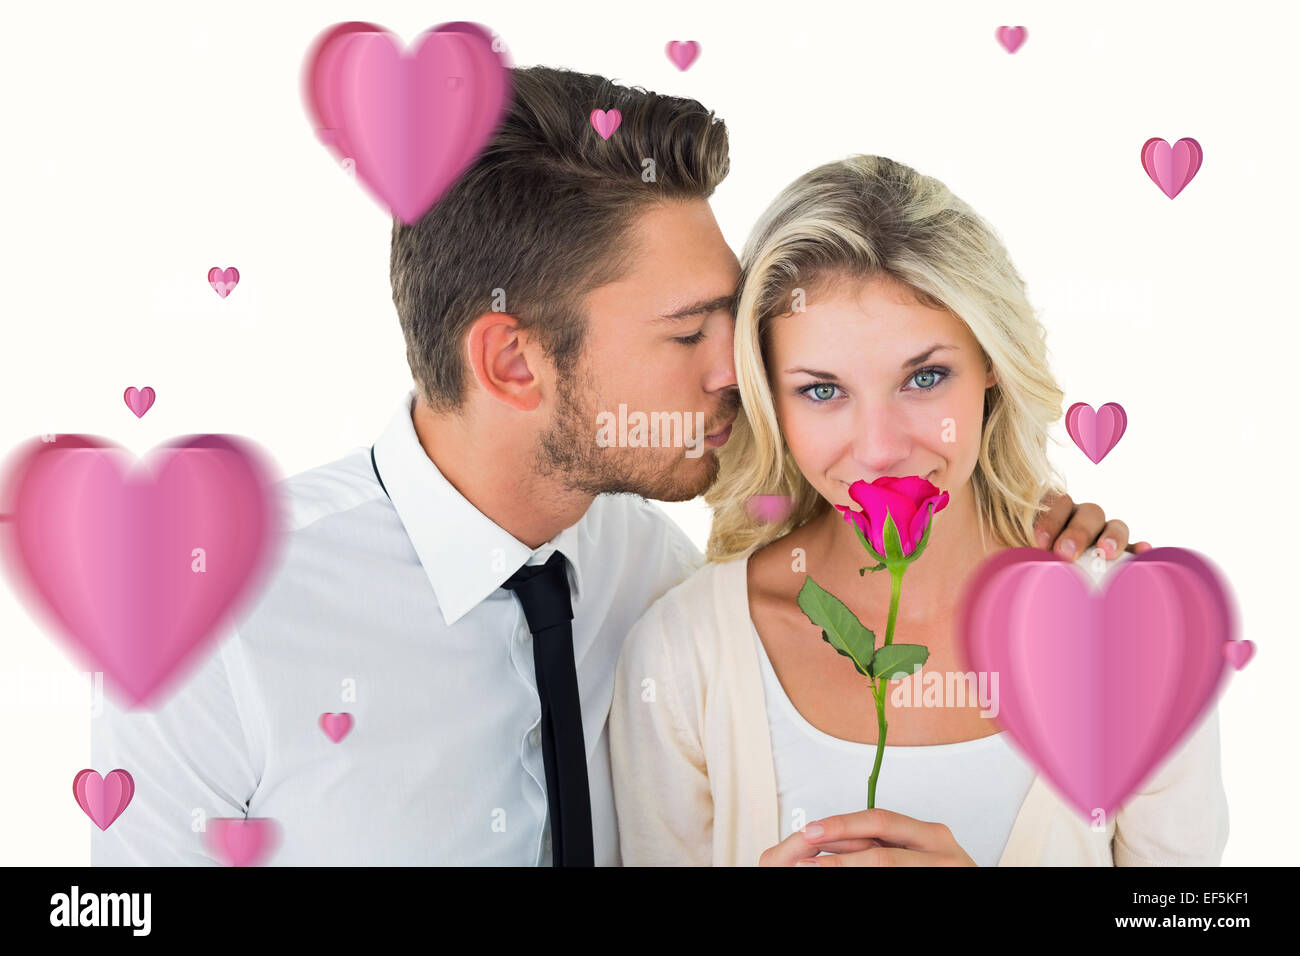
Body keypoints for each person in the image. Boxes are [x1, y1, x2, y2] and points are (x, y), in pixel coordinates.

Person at [91, 69, 1140, 866]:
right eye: (689, 334)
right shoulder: (212, 613)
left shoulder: (651, 573)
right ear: (512, 360)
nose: (743, 370)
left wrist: (997, 500)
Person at [608, 154, 1227, 866]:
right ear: (769, 400)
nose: (880, 450)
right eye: (821, 390)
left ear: (991, 363)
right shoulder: (685, 652)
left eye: (924, 377)